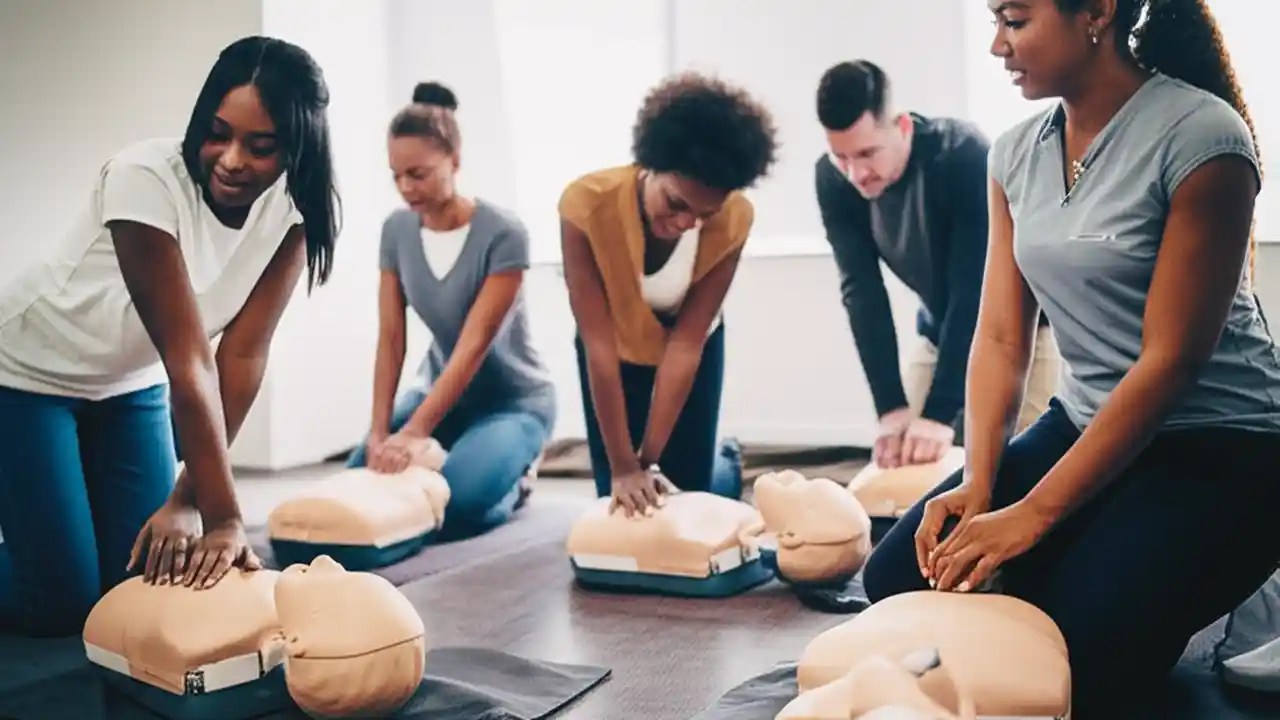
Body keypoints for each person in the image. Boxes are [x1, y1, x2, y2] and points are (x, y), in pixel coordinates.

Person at [862, 0, 1280, 715]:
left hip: (1223, 440)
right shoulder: (1016, 151)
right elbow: (998, 336)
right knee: (899, 577)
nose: (997, 44)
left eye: (1015, 20)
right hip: (1085, 421)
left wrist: (1033, 514)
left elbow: (1170, 361)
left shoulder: (1204, 137)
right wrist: (981, 484)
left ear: (1096, 13)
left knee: (1079, 645)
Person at [0, 35, 339, 637]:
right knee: (61, 600)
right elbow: (189, 360)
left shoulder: (298, 213)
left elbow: (242, 353)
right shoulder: (144, 179)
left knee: (137, 577)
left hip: (128, 385)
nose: (232, 159)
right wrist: (225, 518)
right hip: (25, 373)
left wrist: (187, 498)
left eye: (261, 146)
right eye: (217, 133)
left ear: (297, 147)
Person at [815, 59, 1062, 469]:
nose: (856, 173)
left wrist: (939, 415)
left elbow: (974, 290)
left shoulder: (962, 157)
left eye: (867, 153)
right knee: (901, 465)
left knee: (1021, 474)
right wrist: (890, 408)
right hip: (940, 335)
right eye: (841, 157)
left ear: (903, 127)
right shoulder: (833, 179)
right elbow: (862, 293)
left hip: (1022, 334)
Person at [559, 72, 778, 516]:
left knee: (685, 495)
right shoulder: (585, 206)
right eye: (676, 203)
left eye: (704, 213)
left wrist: (650, 459)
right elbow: (598, 347)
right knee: (617, 500)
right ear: (650, 165)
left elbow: (686, 343)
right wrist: (625, 466)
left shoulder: (735, 217)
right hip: (613, 353)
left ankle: (725, 464)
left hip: (688, 353)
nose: (686, 223)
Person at [346, 82, 555, 539]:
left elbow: (474, 345)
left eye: (418, 174)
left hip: (512, 402)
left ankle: (519, 480)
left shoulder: (503, 234)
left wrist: (415, 433)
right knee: (358, 475)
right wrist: (380, 432)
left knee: (459, 504)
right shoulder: (396, 231)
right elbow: (391, 338)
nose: (406, 187)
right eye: (396, 175)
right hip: (442, 396)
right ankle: (449, 447)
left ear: (454, 161)